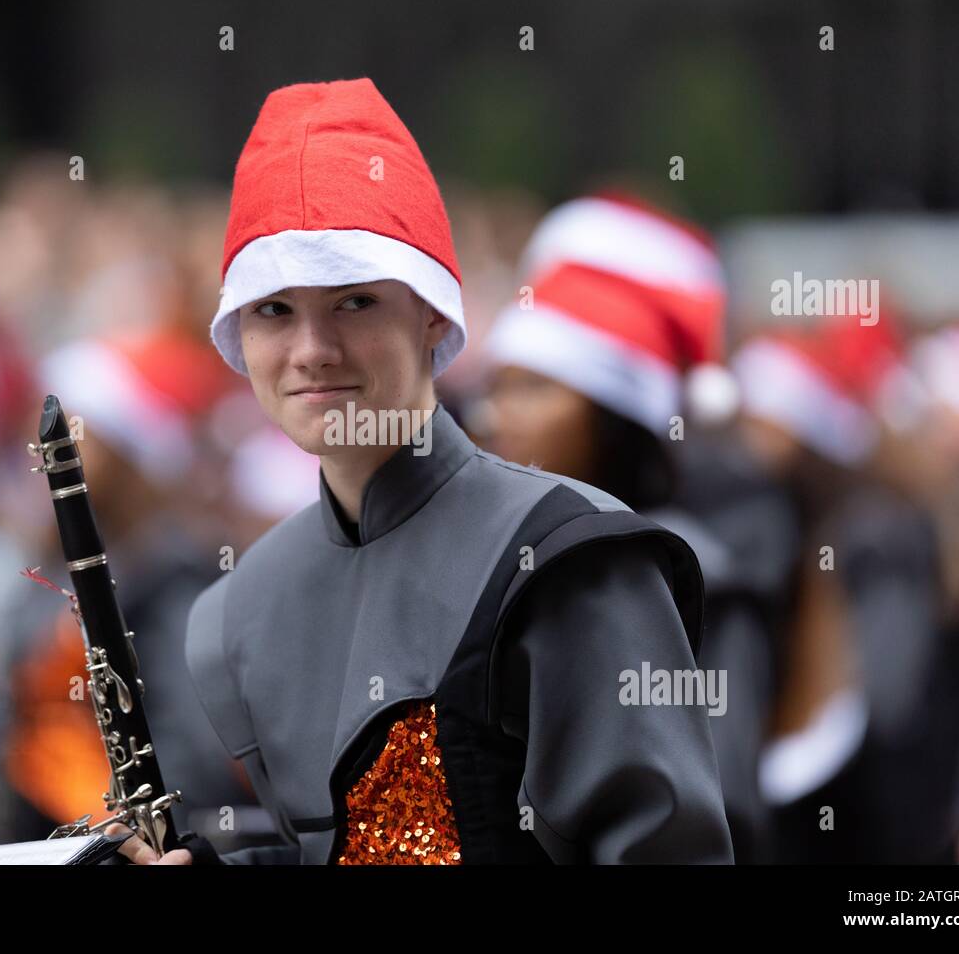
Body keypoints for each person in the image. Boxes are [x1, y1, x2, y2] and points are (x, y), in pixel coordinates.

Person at [115, 76, 732, 865]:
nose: (311, 351)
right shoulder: (240, 609)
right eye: (274, 309)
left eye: (355, 302)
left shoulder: (567, 557)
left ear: (435, 312)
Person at [479, 192, 777, 862]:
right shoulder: (493, 558)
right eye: (495, 388)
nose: (497, 417)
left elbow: (717, 816)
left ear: (614, 419)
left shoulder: (696, 576)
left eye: (532, 388)